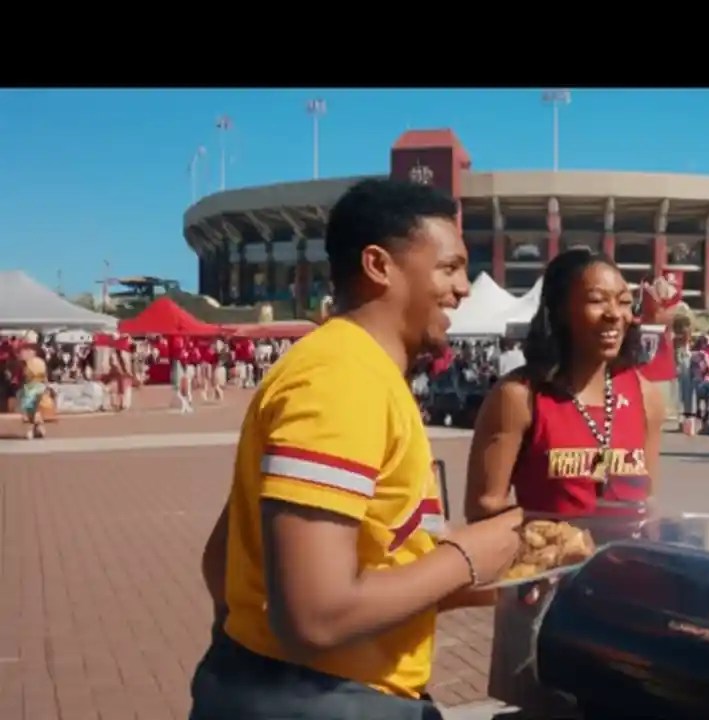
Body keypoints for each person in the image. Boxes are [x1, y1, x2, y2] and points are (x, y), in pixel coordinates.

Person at [190, 178, 523, 720]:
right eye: (449, 267)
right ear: (379, 265)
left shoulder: (347, 368)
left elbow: (222, 563)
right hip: (327, 700)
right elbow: (316, 615)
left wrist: (490, 578)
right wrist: (467, 556)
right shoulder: (344, 379)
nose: (464, 287)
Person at [465, 247, 665, 718]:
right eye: (597, 300)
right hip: (544, 597)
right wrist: (541, 550)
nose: (615, 313)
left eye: (623, 299)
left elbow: (645, 496)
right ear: (559, 309)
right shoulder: (519, 396)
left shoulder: (646, 396)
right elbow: (483, 508)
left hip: (625, 597)